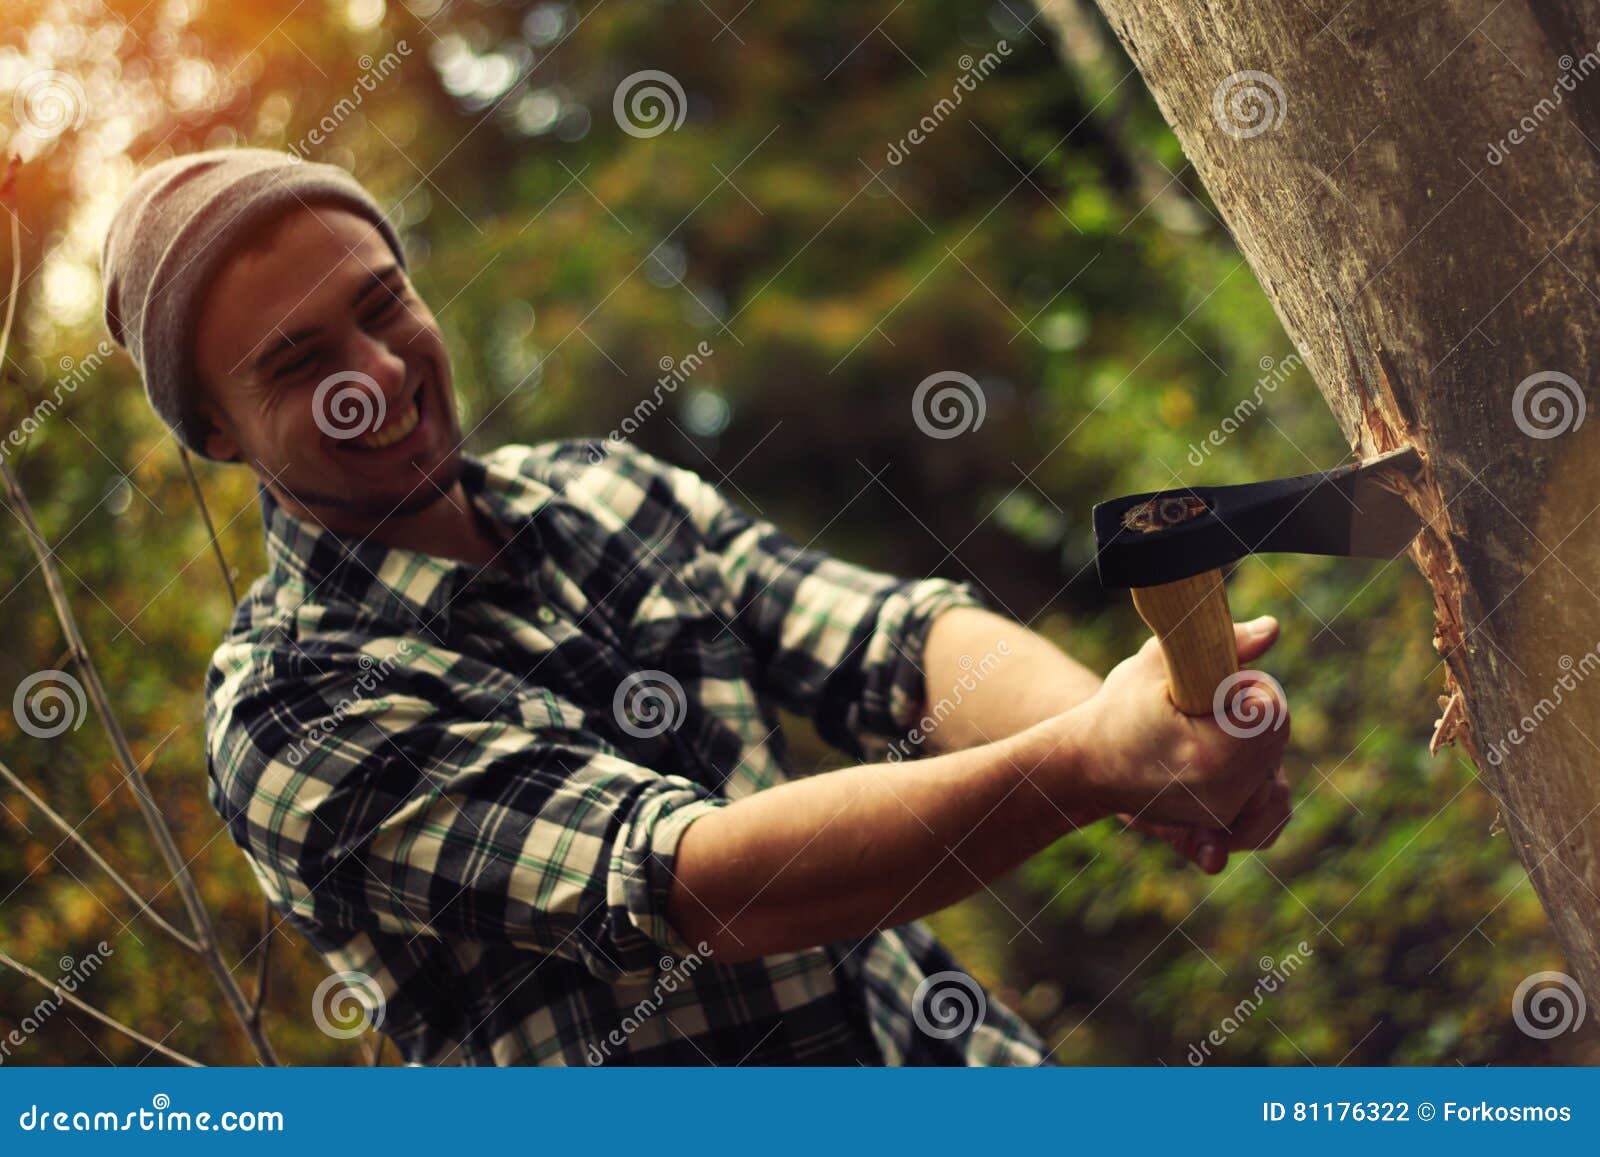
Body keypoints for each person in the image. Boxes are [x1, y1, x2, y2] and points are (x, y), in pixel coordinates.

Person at [100, 147, 1292, 1066]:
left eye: (382, 303)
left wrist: (1145, 742)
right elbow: (693, 883)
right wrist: (1088, 763)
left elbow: (893, 642)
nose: (377, 375)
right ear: (214, 431)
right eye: (298, 363)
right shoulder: (288, 713)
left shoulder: (606, 490)